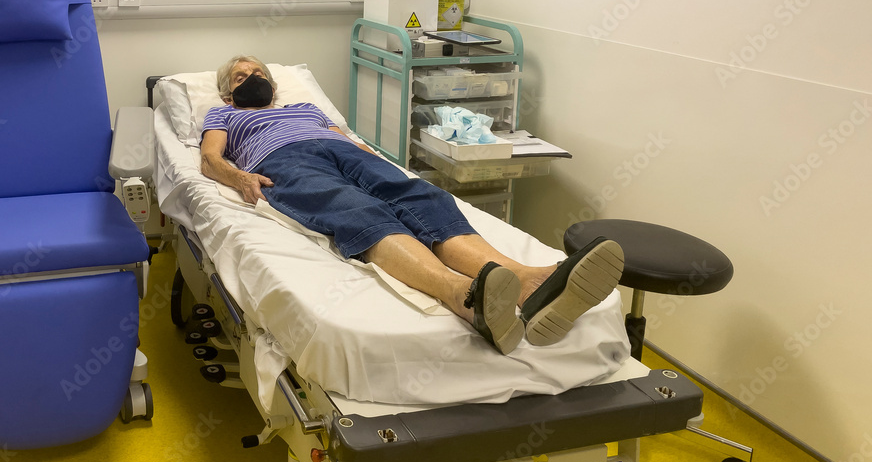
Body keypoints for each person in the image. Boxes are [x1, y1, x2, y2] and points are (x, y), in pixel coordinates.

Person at [199, 55, 624, 355]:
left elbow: (346, 139)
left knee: (421, 197)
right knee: (355, 210)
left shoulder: (306, 107)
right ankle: (462, 295)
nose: (251, 78)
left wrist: (367, 158)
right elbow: (209, 159)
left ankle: (528, 280)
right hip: (282, 160)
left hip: (342, 151)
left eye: (257, 73)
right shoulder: (226, 116)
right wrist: (239, 177)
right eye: (240, 77)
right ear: (227, 93)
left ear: (273, 85)